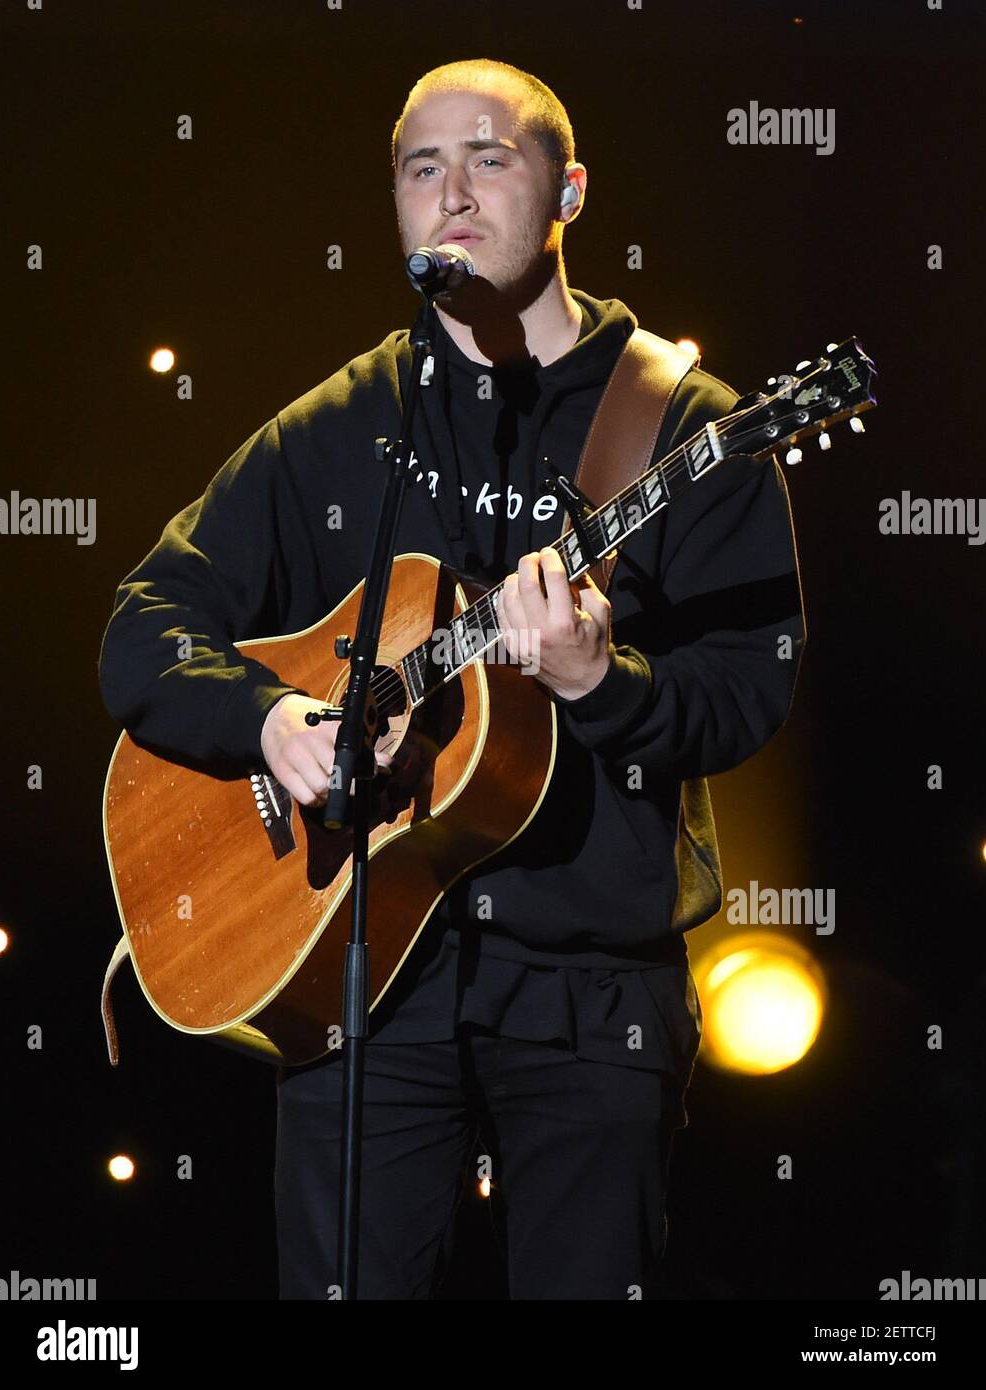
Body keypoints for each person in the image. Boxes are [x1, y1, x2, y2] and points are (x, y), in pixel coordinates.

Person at [98, 58, 806, 1300]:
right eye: (422, 169)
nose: (454, 193)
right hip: (365, 978)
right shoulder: (338, 422)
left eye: (491, 157)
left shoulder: (685, 428)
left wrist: (601, 678)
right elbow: (145, 621)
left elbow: (748, 691)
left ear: (571, 189)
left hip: (592, 998)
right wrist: (270, 721)